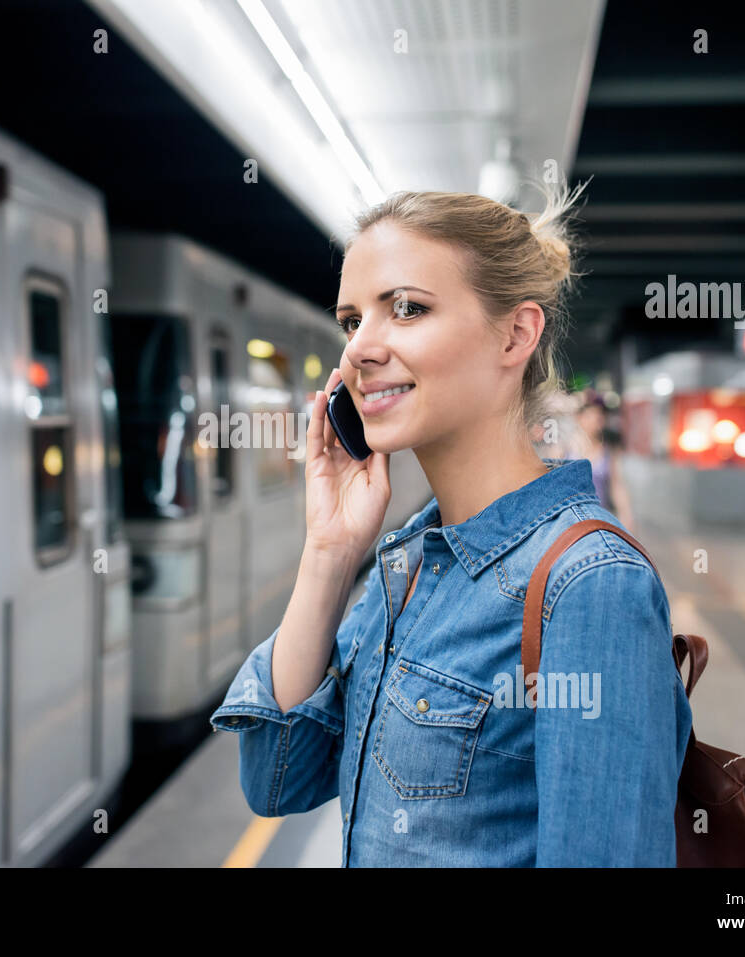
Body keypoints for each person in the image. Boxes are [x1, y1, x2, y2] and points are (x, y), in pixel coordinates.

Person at [210, 185, 692, 866]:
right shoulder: (407, 564)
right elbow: (277, 777)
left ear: (516, 333)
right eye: (352, 319)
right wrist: (328, 552)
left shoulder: (590, 587)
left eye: (406, 308)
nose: (359, 349)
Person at [573, 391, 637, 535]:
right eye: (590, 415)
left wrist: (627, 516)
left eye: (599, 416)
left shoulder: (608, 452)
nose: (596, 420)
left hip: (600, 523)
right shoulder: (564, 449)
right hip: (570, 523)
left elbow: (617, 485)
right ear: (579, 418)